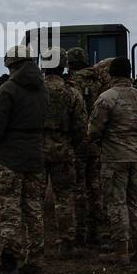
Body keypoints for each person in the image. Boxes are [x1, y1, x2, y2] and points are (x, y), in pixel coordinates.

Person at [0, 44, 47, 274]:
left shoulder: (7, 89)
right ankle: (36, 260)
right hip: (36, 155)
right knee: (34, 210)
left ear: (11, 65)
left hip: (10, 157)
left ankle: (10, 263)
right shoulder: (43, 88)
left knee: (10, 212)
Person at [88, 56, 137, 266]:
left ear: (112, 74)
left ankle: (121, 252)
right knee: (135, 203)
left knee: (116, 205)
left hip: (114, 158)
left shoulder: (107, 98)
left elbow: (94, 131)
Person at [42, 56, 86, 259]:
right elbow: (80, 127)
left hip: (36, 152)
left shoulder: (34, 91)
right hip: (63, 150)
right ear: (63, 67)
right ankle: (66, 244)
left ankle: (33, 244)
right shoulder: (72, 93)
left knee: (32, 199)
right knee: (64, 198)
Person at [67, 47, 104, 249]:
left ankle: (79, 234)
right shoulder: (99, 81)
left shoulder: (72, 84)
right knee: (96, 188)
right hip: (95, 143)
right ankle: (96, 233)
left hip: (79, 143)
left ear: (70, 63)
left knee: (78, 188)